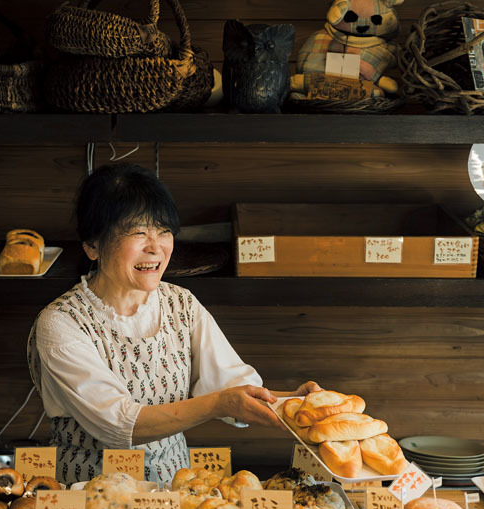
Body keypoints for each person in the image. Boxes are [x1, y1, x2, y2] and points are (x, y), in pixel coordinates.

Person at [28, 163, 320, 485]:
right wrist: (217, 405)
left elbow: (229, 387)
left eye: (163, 231)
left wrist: (294, 403)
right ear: (92, 245)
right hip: (91, 493)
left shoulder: (180, 303)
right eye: (138, 232)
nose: (156, 247)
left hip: (173, 493)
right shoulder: (61, 322)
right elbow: (118, 423)